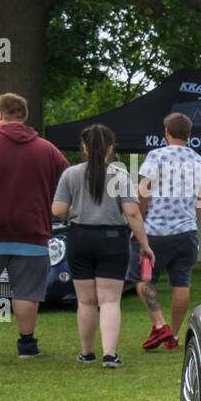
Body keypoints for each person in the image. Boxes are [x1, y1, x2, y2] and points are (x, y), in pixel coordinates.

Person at [0, 93, 69, 361]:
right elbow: (66, 189)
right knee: (26, 289)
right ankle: (27, 345)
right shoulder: (48, 151)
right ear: (24, 116)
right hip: (31, 232)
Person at [52, 124, 155, 368]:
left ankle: (87, 353)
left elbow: (58, 210)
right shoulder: (120, 176)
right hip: (112, 239)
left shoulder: (70, 174)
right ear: (110, 148)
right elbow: (132, 214)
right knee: (109, 301)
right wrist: (144, 246)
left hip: (80, 237)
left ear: (84, 147)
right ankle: (110, 354)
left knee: (85, 301)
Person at [129, 112, 201, 351]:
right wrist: (193, 223)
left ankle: (160, 324)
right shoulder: (199, 160)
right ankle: (173, 335)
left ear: (166, 132)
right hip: (185, 234)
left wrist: (139, 223)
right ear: (189, 134)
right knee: (181, 282)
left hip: (154, 234)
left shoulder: (156, 156)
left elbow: (144, 192)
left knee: (143, 280)